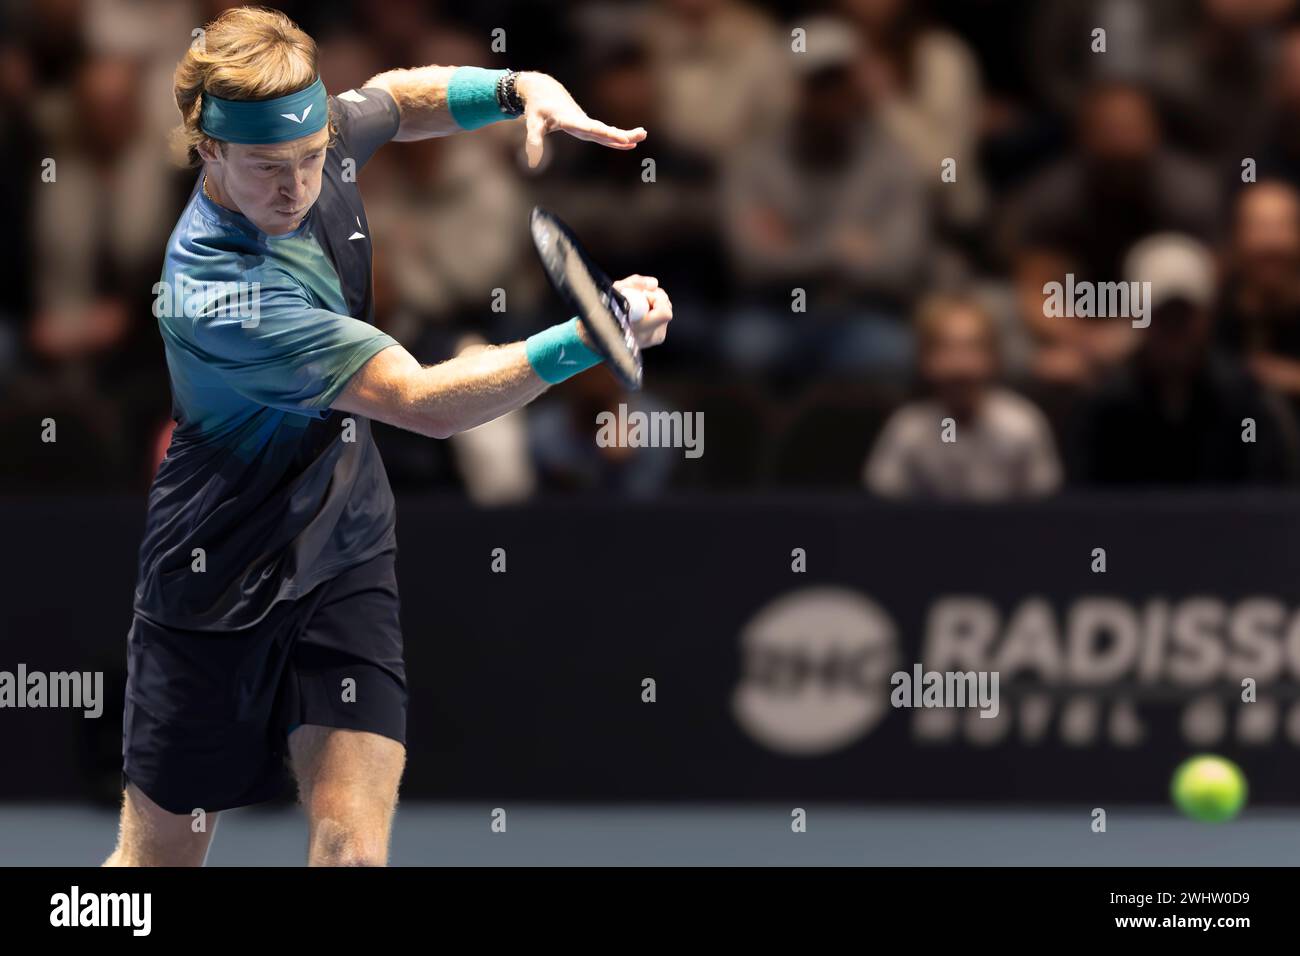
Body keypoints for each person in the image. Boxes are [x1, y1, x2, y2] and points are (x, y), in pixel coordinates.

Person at [105, 7, 673, 867]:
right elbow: (422, 401)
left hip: (344, 544)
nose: (297, 187)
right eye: (266, 168)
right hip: (214, 573)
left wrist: (516, 88)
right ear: (207, 146)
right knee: (156, 866)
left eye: (307, 160)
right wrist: (583, 337)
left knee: (353, 852)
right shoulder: (220, 292)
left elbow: (394, 103)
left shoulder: (312, 135)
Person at [863, 293, 1061, 500]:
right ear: (925, 358)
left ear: (993, 356)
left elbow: (1043, 504)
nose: (960, 365)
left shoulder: (1022, 424)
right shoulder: (908, 428)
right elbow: (882, 502)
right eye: (947, 348)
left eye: (972, 347)